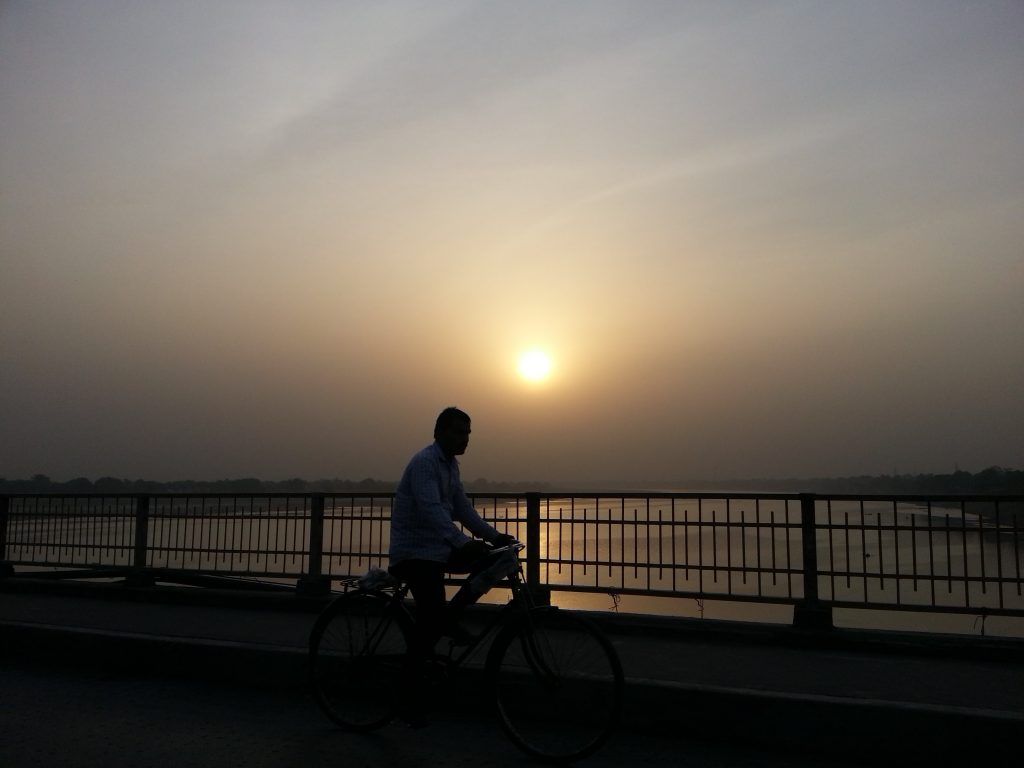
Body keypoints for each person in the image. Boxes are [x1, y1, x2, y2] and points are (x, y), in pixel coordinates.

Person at [388, 406, 516, 724]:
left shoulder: (451, 467)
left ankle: (450, 619)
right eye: (459, 432)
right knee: (430, 618)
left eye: (468, 433)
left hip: (439, 549)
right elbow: (433, 512)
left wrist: (494, 537)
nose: (465, 438)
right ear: (440, 432)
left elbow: (462, 509)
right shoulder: (425, 463)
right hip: (415, 552)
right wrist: (463, 543)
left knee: (491, 560)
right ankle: (406, 695)